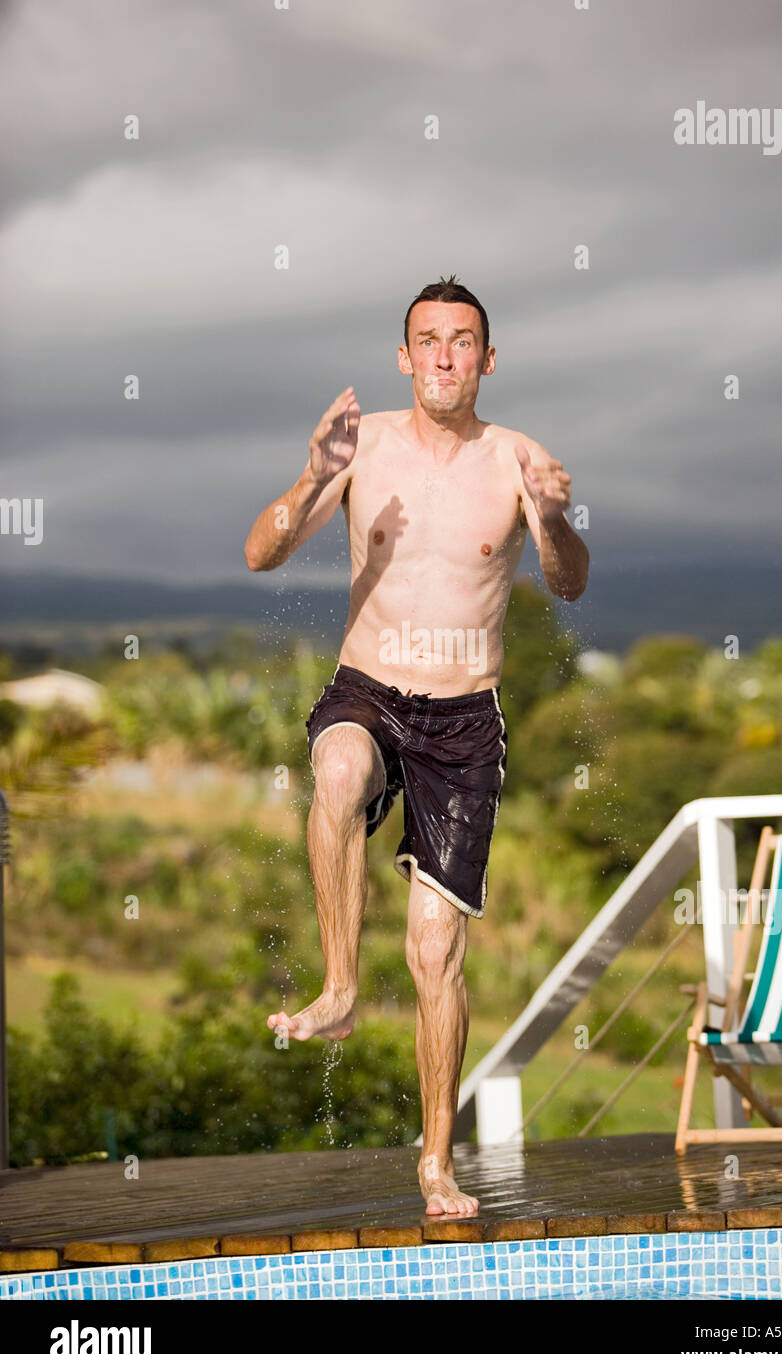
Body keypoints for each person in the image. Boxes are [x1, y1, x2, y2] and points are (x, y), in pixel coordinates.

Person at [244, 275, 589, 1216]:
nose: (444, 356)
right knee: (341, 766)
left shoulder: (520, 461)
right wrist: (316, 473)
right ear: (405, 357)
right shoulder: (364, 448)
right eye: (427, 340)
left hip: (465, 721)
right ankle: (341, 986)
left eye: (463, 340)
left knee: (436, 950)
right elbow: (260, 552)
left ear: (487, 357)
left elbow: (569, 585)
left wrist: (553, 520)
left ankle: (435, 1163)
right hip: (369, 688)